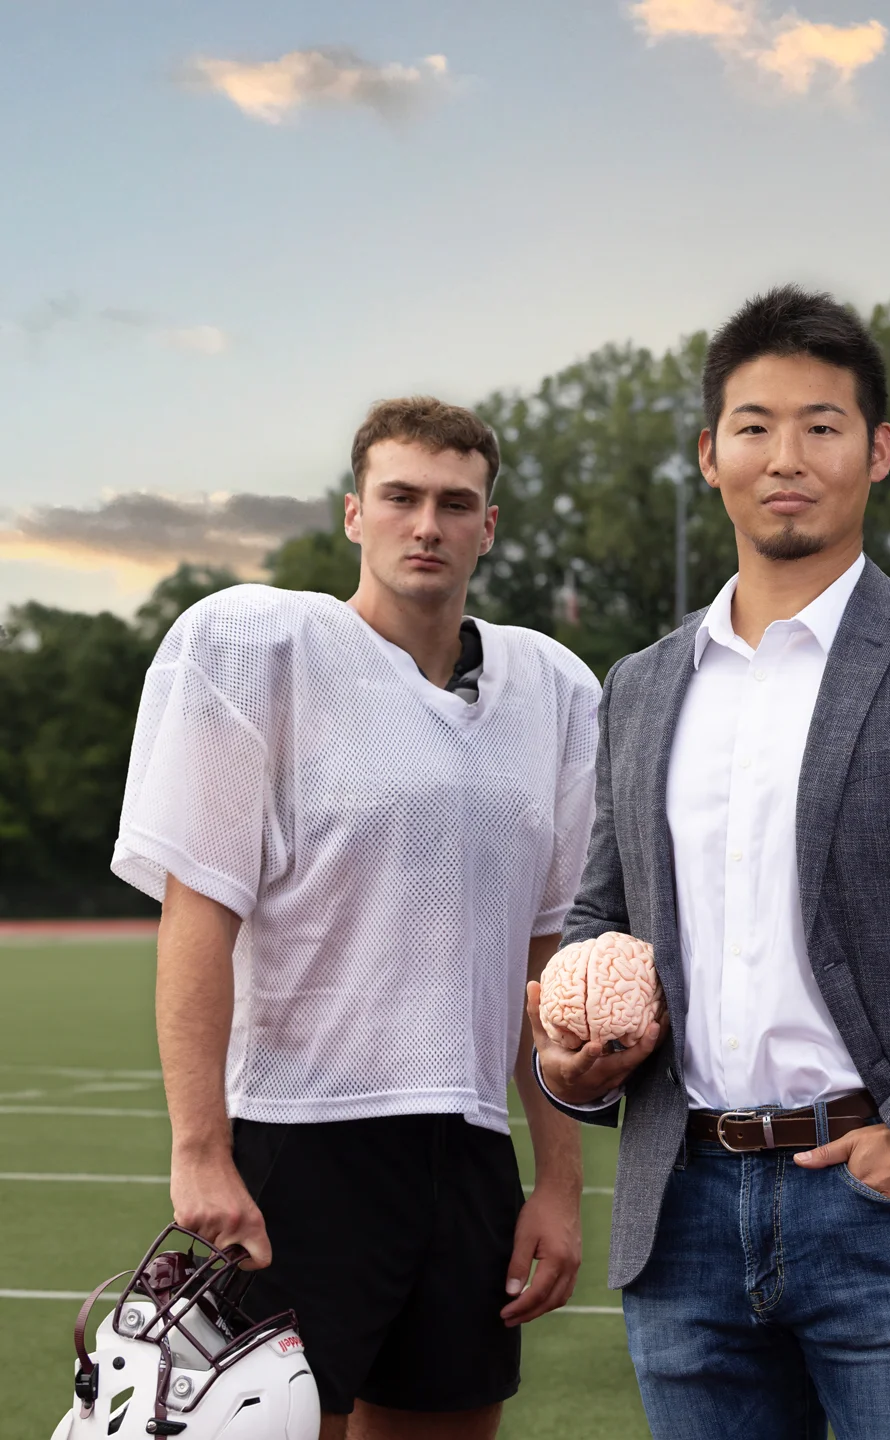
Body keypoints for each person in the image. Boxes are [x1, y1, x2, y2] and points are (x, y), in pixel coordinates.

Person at [532, 286, 890, 1439]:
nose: (786, 456)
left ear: (876, 451)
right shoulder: (640, 684)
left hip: (882, 1205)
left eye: (823, 425)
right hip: (680, 1209)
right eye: (754, 425)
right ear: (709, 455)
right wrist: (571, 1064)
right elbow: (601, 912)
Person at [111, 397, 599, 1439]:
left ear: (488, 526)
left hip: (467, 1148)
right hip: (300, 1137)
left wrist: (558, 1180)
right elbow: (200, 913)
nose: (427, 523)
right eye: (402, 497)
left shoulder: (551, 691)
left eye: (455, 502)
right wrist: (200, 1146)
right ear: (354, 514)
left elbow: (545, 956)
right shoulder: (265, 648)